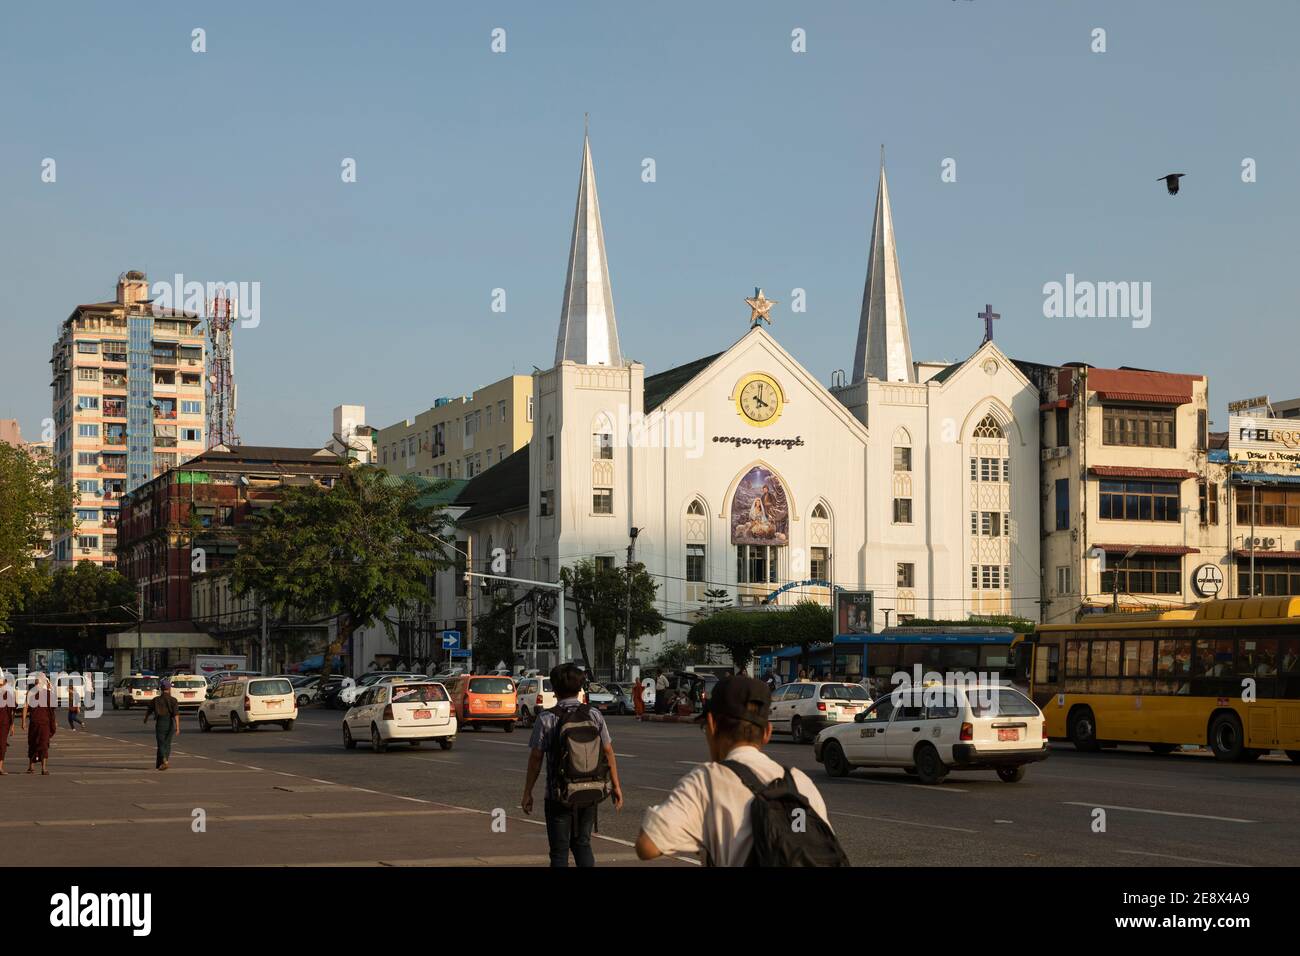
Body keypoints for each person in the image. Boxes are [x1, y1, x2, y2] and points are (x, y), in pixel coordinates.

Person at [635, 675, 835, 867]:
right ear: (767, 733)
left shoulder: (708, 781)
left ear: (712, 725)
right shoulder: (800, 782)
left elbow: (647, 846)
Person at [521, 662, 623, 867]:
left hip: (558, 795)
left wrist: (527, 792)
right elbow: (608, 752)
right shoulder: (594, 714)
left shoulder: (547, 718)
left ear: (555, 690)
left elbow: (536, 759)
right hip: (590, 791)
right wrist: (616, 786)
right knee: (583, 844)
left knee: (559, 852)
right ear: (579, 688)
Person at [22, 674, 57, 775]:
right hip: (37, 722)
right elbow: (26, 706)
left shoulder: (47, 693)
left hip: (43, 722)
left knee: (43, 744)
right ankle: (34, 767)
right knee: (35, 743)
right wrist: (23, 721)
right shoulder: (32, 693)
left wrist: (23, 722)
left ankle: (41, 768)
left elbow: (51, 709)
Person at [144, 678, 180, 771]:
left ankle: (164, 761)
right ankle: (163, 762)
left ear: (161, 688)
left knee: (161, 743)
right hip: (170, 723)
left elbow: (149, 711)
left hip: (160, 723)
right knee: (167, 744)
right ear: (169, 689)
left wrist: (145, 719)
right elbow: (176, 714)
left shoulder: (155, 700)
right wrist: (177, 727)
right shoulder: (173, 700)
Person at [0, 672, 15, 775]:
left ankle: (0, 767)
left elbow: (11, 710)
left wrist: (12, 725)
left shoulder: (8, 692)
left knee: (2, 745)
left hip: (4, 722)